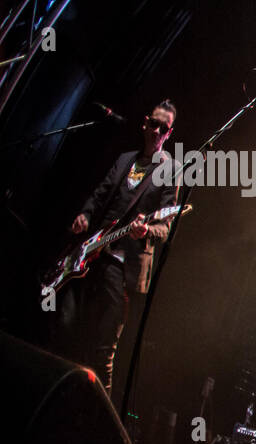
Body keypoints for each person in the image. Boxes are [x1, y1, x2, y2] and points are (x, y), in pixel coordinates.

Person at [53, 100, 180, 402]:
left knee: (103, 350)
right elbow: (99, 195)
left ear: (169, 133)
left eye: (164, 128)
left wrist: (146, 230)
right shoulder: (125, 160)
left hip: (122, 269)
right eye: (153, 123)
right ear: (145, 123)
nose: (156, 130)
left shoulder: (170, 170)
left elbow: (166, 226)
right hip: (90, 256)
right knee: (65, 327)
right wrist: (84, 214)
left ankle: (100, 421)